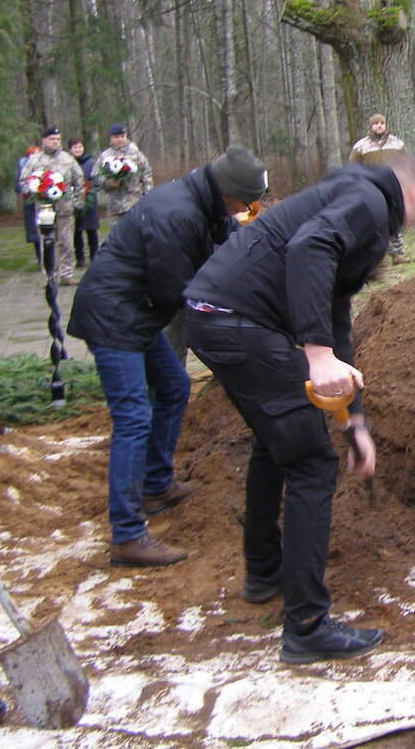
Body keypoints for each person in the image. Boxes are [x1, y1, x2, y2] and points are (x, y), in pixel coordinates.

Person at [183, 152, 415, 664]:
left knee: (278, 446)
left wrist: (355, 422)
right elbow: (310, 249)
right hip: (239, 321)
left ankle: (263, 571)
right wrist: (315, 354)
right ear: (410, 193)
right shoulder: (367, 202)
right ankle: (305, 626)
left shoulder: (347, 195)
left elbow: (335, 313)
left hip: (212, 316)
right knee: (311, 465)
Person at [68, 147, 269, 567]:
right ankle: (126, 535)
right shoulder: (176, 213)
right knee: (133, 417)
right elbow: (173, 291)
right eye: (245, 201)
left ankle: (156, 485)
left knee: (175, 386)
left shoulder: (203, 202)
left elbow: (229, 241)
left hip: (135, 313)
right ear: (227, 191)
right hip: (114, 315)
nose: (246, 209)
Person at [18, 126, 85, 285]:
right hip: (44, 210)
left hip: (65, 209)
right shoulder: (35, 160)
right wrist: (34, 190)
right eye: (52, 139)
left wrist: (78, 202)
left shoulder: (68, 159)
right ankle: (49, 276)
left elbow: (79, 181)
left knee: (66, 243)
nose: (55, 142)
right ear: (44, 140)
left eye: (58, 139)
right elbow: (23, 182)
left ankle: (66, 275)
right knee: (46, 243)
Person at [350, 114, 410, 263]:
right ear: (371, 126)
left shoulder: (396, 143)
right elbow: (353, 168)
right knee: (372, 222)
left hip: (392, 187)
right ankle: (372, 259)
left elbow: (406, 164)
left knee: (393, 221)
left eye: (382, 123)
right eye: (376, 123)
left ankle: (397, 254)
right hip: (370, 188)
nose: (379, 126)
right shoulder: (361, 146)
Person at [92, 123, 153, 226]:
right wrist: (108, 182)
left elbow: (147, 174)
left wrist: (147, 196)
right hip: (115, 208)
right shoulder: (105, 156)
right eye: (116, 137)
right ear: (110, 138)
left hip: (135, 204)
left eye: (122, 136)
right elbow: (95, 177)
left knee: (136, 238)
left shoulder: (135, 153)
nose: (120, 139)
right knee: (117, 240)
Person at [69, 137, 99, 267]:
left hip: (89, 200)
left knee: (91, 230)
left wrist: (89, 189)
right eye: (75, 147)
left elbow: (97, 179)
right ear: (70, 149)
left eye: (80, 147)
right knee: (76, 231)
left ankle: (94, 256)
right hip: (73, 201)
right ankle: (79, 257)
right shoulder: (67, 163)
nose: (78, 149)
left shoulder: (91, 163)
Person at [17, 145, 42, 271]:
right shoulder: (23, 169)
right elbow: (18, 186)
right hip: (31, 205)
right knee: (36, 235)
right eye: (32, 154)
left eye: (37, 153)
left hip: (44, 202)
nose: (34, 156)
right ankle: (40, 261)